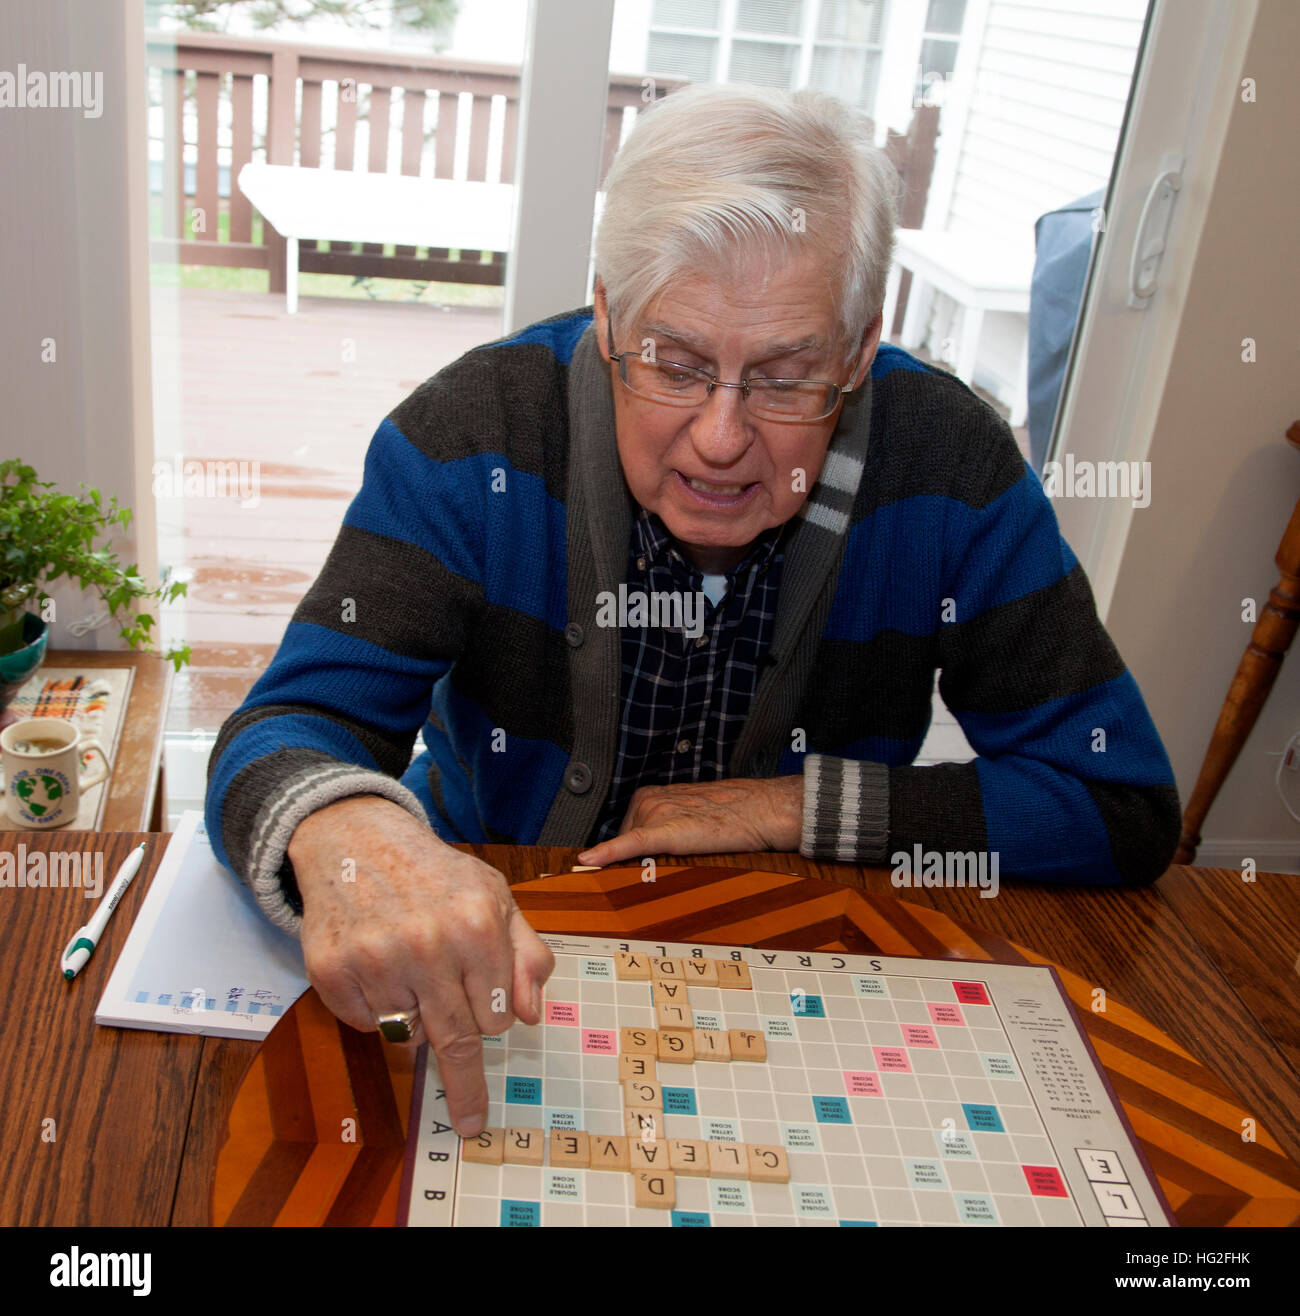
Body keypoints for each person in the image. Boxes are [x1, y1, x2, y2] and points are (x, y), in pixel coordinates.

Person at [205, 83, 1180, 1138]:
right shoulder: (466, 437)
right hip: (501, 965)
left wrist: (795, 807)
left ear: (860, 351)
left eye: (786, 376)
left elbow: (1118, 803)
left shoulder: (952, 464)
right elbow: (278, 731)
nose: (719, 437)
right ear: (607, 314)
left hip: (806, 993)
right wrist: (351, 828)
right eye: (673, 363)